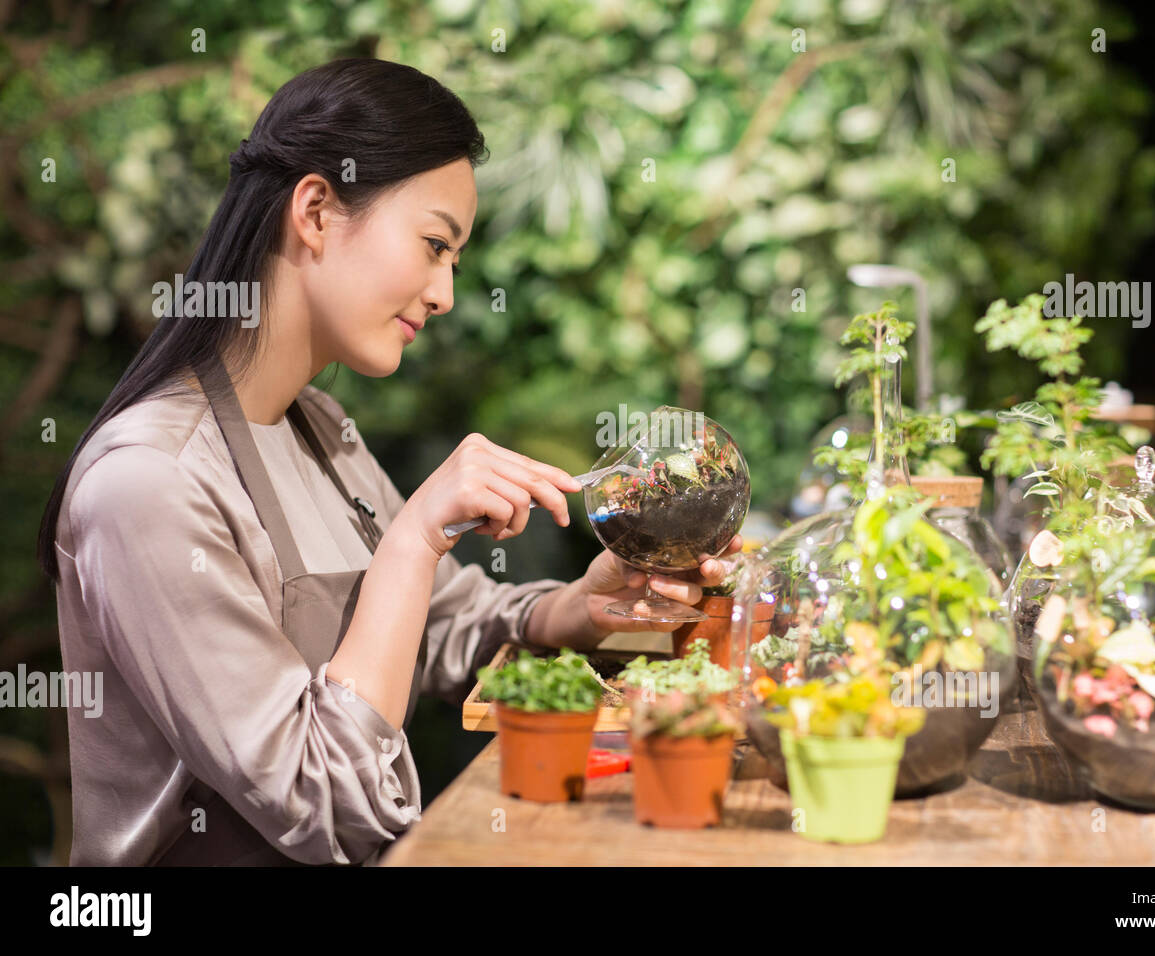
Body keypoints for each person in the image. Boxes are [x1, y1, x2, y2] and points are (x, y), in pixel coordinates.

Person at [35, 58, 740, 866]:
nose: (443, 293)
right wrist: (411, 539)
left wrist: (577, 609)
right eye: (434, 244)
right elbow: (324, 806)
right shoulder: (148, 483)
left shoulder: (315, 426)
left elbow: (431, 622)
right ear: (316, 210)